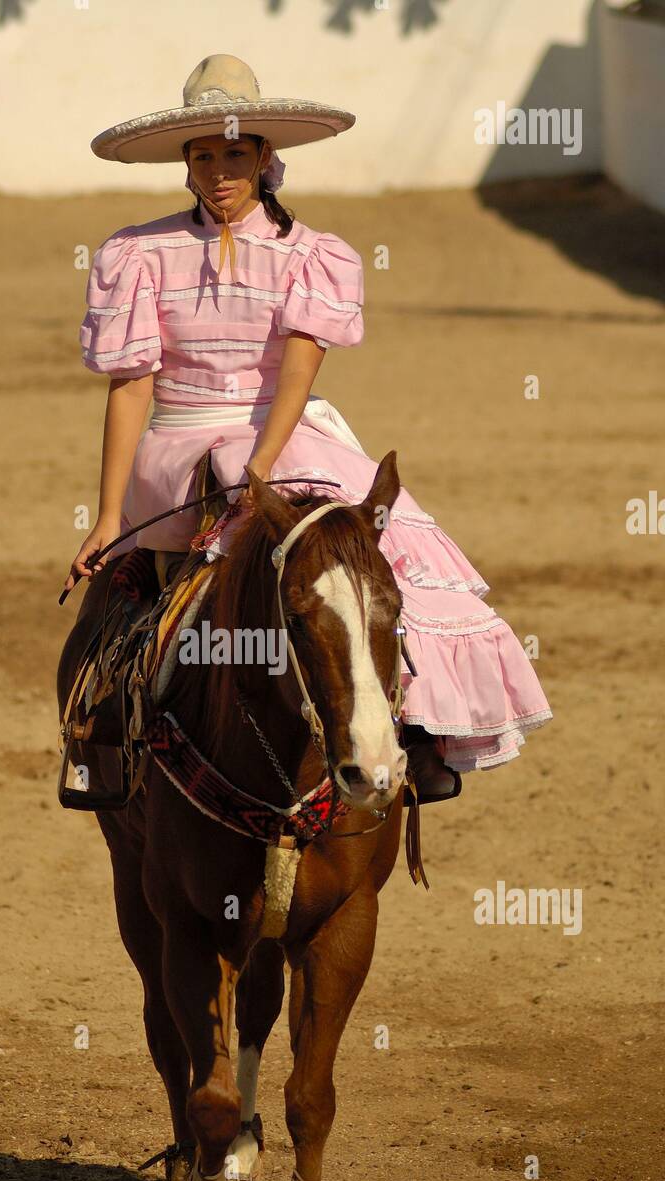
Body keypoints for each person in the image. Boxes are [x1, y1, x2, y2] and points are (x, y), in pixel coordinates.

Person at [62, 54, 552, 797]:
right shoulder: (138, 252)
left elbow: (297, 376)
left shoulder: (314, 254)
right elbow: (132, 386)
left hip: (281, 434)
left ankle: (415, 736)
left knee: (381, 556)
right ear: (186, 166)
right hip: (181, 443)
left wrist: (260, 470)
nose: (220, 171)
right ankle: (107, 734)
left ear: (264, 157)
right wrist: (107, 515)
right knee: (132, 595)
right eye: (204, 156)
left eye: (234, 154)